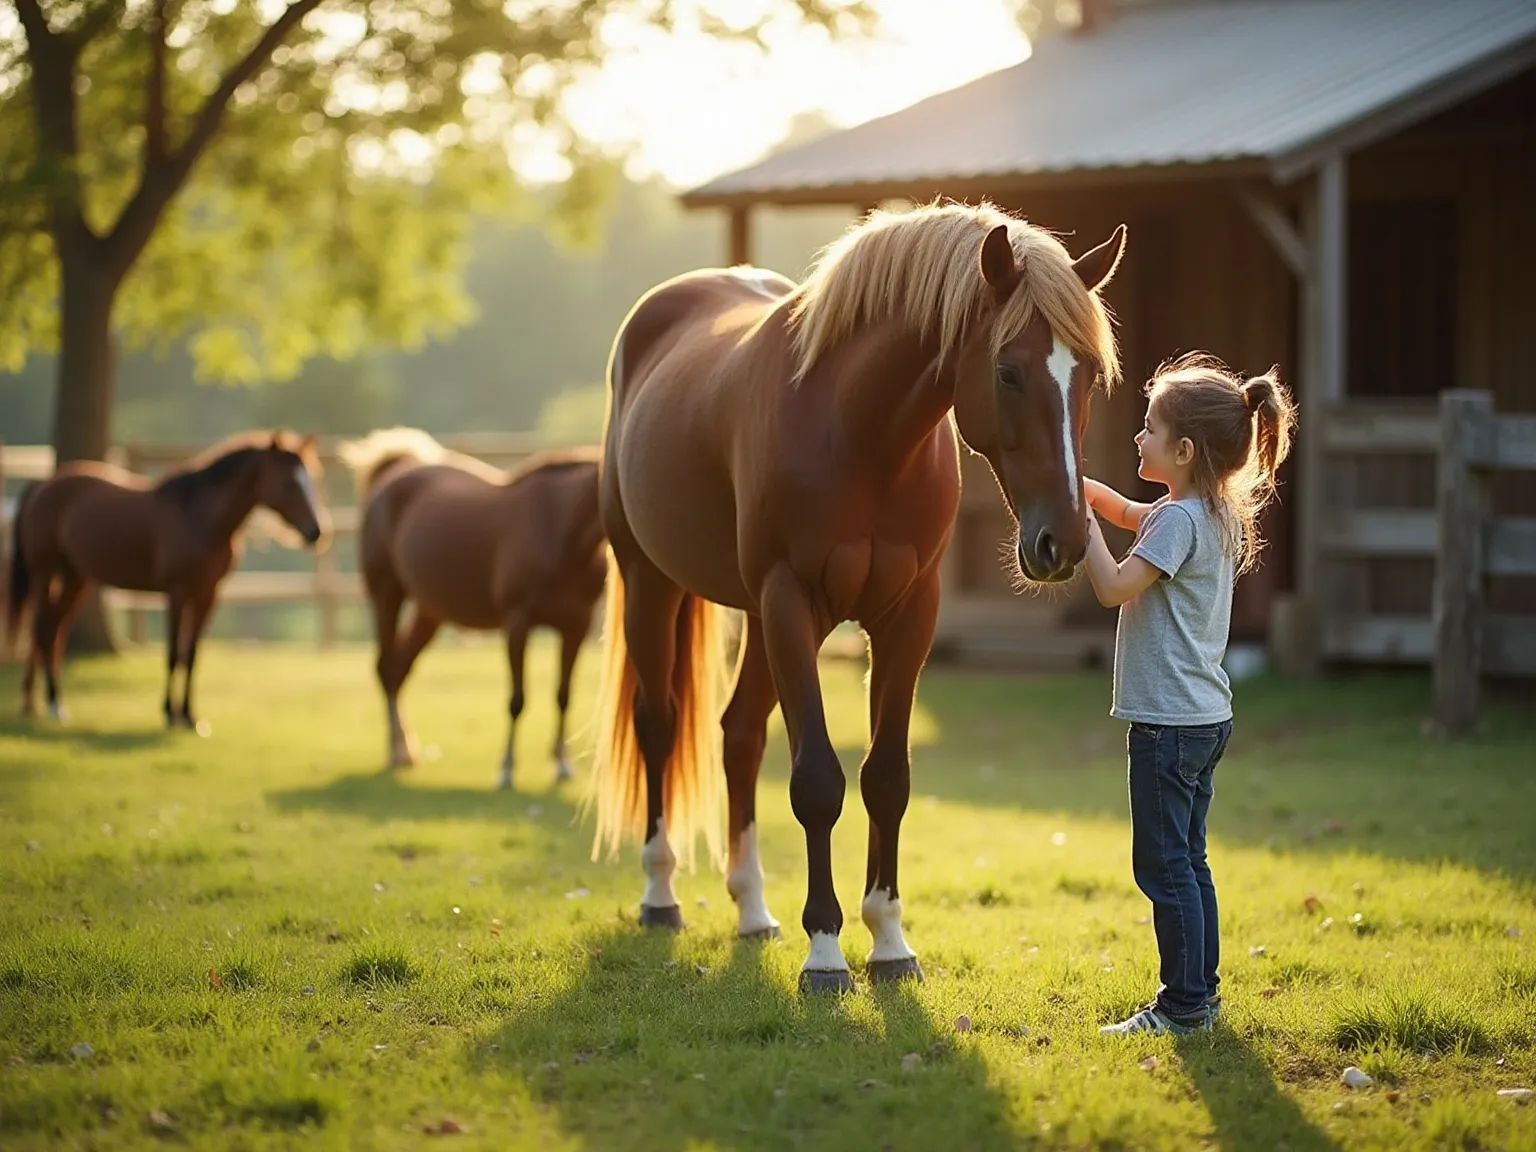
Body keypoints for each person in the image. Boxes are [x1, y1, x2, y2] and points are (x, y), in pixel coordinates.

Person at [1081, 352, 1297, 1036]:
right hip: (1204, 719)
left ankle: (1181, 1008)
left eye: (1148, 428)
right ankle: (1200, 997)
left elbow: (1113, 586)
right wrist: (1079, 490)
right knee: (1189, 861)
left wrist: (1082, 531)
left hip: (1168, 728)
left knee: (1164, 865)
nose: (1137, 437)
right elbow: (1127, 512)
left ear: (1182, 449)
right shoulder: (1205, 511)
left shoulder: (1178, 523)